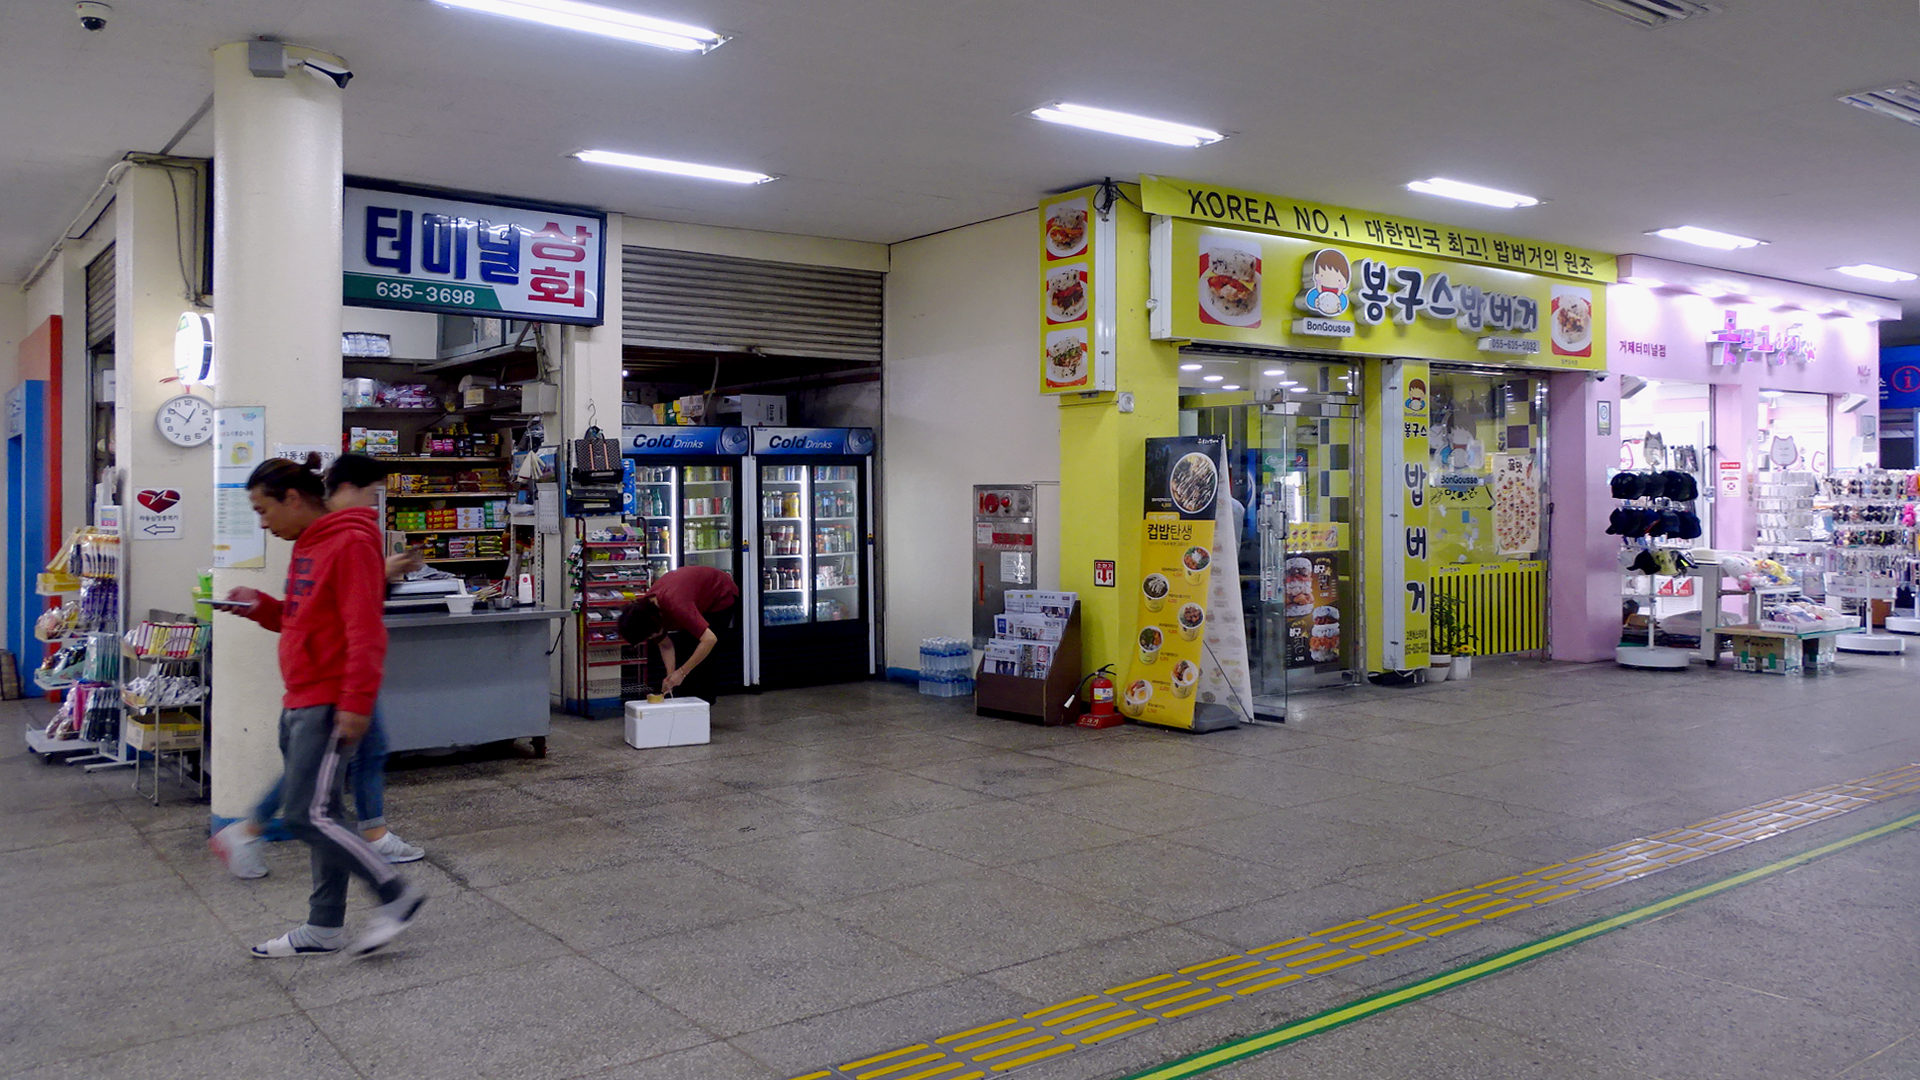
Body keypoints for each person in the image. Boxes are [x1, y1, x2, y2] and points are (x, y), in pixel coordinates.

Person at [209, 455, 424, 958]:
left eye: (264, 510)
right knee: (325, 814)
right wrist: (258, 605)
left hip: (328, 701)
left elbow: (364, 631)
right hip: (302, 698)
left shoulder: (348, 542)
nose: (262, 523)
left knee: (307, 816)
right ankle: (324, 927)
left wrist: (354, 705)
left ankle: (396, 894)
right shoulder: (310, 544)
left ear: (292, 497)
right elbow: (304, 620)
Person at [616, 564, 739, 703]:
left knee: (704, 658)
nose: (651, 639)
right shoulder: (645, 610)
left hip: (720, 595)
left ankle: (703, 710)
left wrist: (681, 673)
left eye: (649, 636)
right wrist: (671, 677)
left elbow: (710, 639)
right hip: (694, 598)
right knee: (686, 652)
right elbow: (666, 645)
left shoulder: (676, 605)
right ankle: (685, 704)